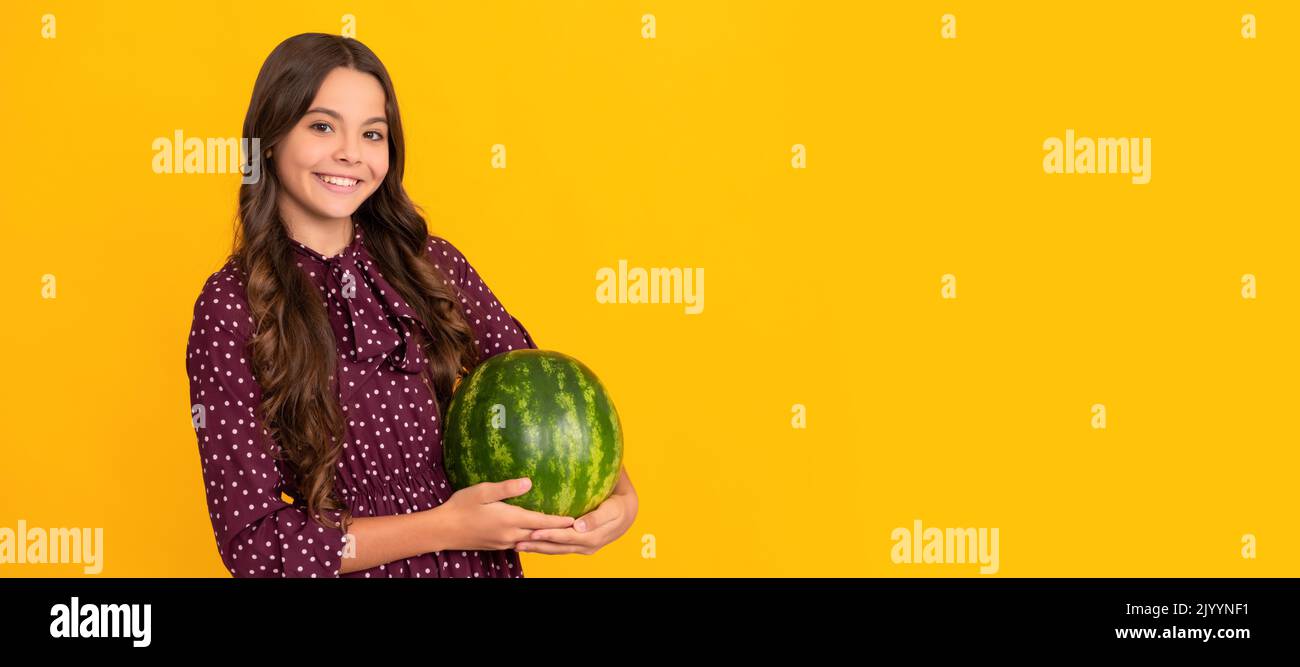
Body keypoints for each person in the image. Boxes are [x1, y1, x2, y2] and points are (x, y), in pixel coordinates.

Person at [185, 33, 638, 578]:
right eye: (323, 126)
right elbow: (254, 546)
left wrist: (619, 494)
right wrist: (449, 525)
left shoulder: (431, 266)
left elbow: (547, 400)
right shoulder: (233, 305)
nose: (351, 153)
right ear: (271, 137)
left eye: (372, 134)